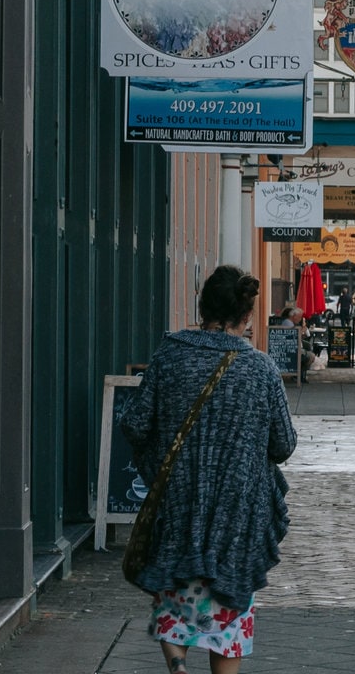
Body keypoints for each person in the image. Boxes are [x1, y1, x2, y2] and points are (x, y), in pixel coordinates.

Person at [119, 265, 296, 674]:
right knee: (229, 605)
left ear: (203, 306)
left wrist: (159, 467)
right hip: (238, 509)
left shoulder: (170, 355)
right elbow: (283, 444)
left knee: (174, 587)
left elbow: (135, 423)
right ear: (247, 316)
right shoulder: (262, 369)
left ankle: (178, 665)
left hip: (180, 499)